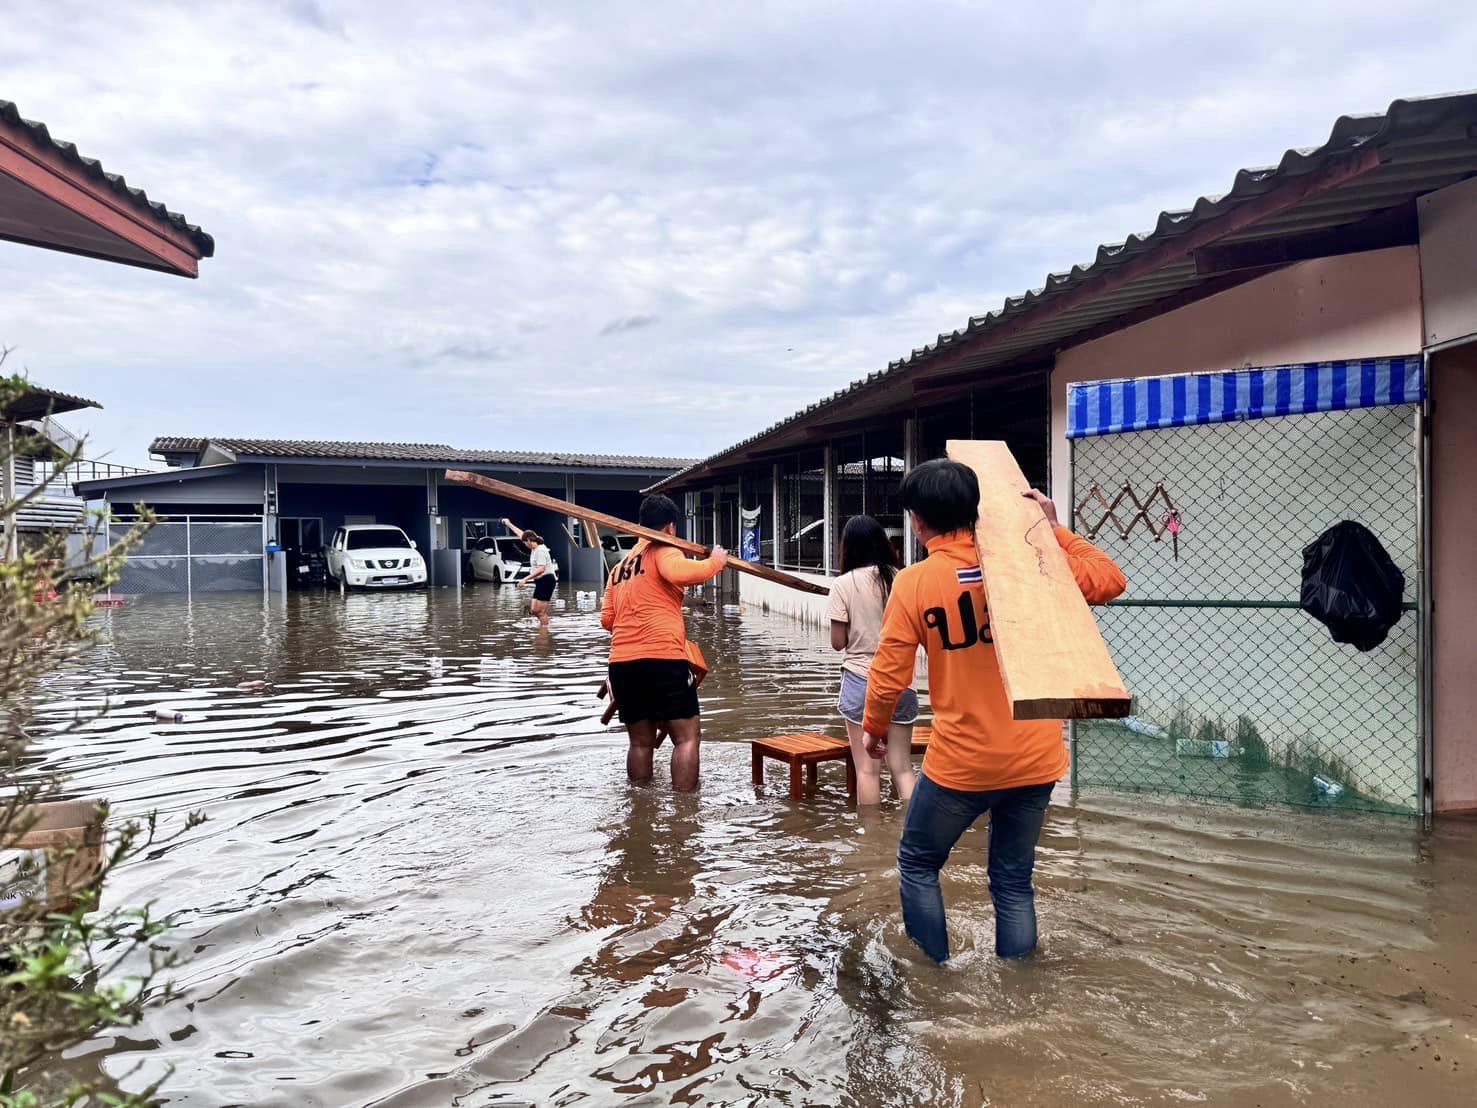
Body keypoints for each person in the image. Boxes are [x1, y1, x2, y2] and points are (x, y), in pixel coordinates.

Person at [862, 460, 1126, 963]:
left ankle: (933, 981)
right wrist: (1054, 531)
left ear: (917, 521)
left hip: (962, 763)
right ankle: (1020, 983)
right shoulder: (1032, 567)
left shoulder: (916, 583)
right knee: (1012, 880)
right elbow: (1111, 580)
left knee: (918, 863)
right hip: (1035, 757)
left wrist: (875, 729)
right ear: (977, 510)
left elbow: (889, 674)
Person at [600, 494, 727, 791]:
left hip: (622, 663)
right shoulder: (664, 549)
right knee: (686, 737)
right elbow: (681, 573)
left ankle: (640, 807)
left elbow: (607, 619)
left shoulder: (619, 569)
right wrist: (715, 562)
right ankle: (684, 813)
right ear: (670, 527)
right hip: (662, 659)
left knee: (640, 743)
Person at [828, 515, 916, 805]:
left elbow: (838, 643)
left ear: (848, 548)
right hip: (901, 681)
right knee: (902, 768)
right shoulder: (901, 578)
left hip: (859, 680)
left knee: (868, 772)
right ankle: (913, 835)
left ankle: (871, 844)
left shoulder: (842, 584)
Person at [503, 517, 558, 626]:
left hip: (547, 580)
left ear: (529, 540)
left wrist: (525, 579)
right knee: (534, 611)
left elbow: (541, 569)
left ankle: (544, 633)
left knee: (540, 612)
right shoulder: (533, 545)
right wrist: (509, 524)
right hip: (540, 582)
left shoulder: (540, 550)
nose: (524, 544)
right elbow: (521, 534)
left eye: (525, 542)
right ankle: (545, 626)